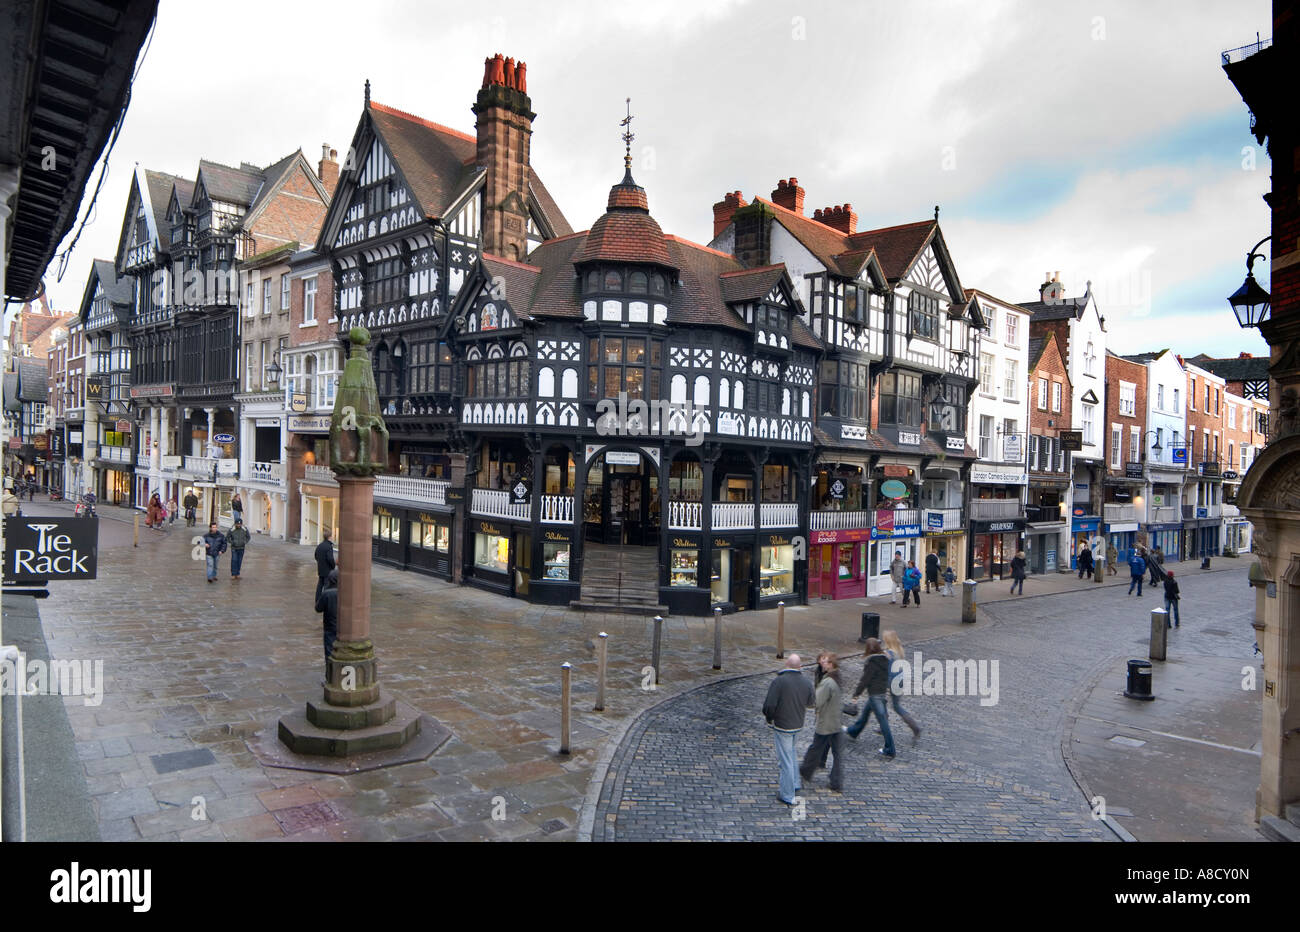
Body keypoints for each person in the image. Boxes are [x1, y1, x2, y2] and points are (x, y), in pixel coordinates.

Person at [762, 654, 815, 805]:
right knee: (791, 753)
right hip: (798, 724)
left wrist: (769, 718)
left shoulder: (779, 681)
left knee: (785, 760)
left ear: (786, 664)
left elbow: (769, 705)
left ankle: (787, 794)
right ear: (800, 667)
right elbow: (811, 702)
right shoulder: (806, 682)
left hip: (782, 725)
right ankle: (795, 783)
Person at [799, 652, 845, 792]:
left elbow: (816, 701)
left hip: (826, 722)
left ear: (831, 665)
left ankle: (805, 772)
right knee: (838, 754)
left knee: (816, 748)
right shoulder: (837, 678)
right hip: (836, 721)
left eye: (825, 662)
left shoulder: (827, 682)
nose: (822, 663)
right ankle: (836, 782)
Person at [846, 638, 896, 757]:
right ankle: (853, 731)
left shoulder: (872, 663)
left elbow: (865, 680)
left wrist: (856, 695)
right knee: (865, 714)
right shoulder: (885, 659)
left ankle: (890, 749)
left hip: (875, 695)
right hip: (881, 692)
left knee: (883, 722)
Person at [881, 630, 922, 744]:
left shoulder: (889, 654)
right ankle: (914, 727)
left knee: (883, 701)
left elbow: (889, 672)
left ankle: (883, 724)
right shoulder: (899, 651)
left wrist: (885, 686)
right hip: (900, 681)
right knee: (896, 706)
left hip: (893, 681)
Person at [316, 567, 340, 664]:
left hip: (329, 626)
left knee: (329, 649)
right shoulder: (345, 592)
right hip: (342, 626)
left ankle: (330, 672)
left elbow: (318, 608)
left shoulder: (327, 593)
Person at [315, 528, 336, 601]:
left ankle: (317, 599)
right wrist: (333, 566)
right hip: (327, 570)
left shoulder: (320, 545)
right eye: (332, 536)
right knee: (327, 586)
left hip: (320, 569)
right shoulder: (329, 546)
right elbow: (330, 559)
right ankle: (325, 601)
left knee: (320, 585)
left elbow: (316, 556)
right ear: (329, 537)